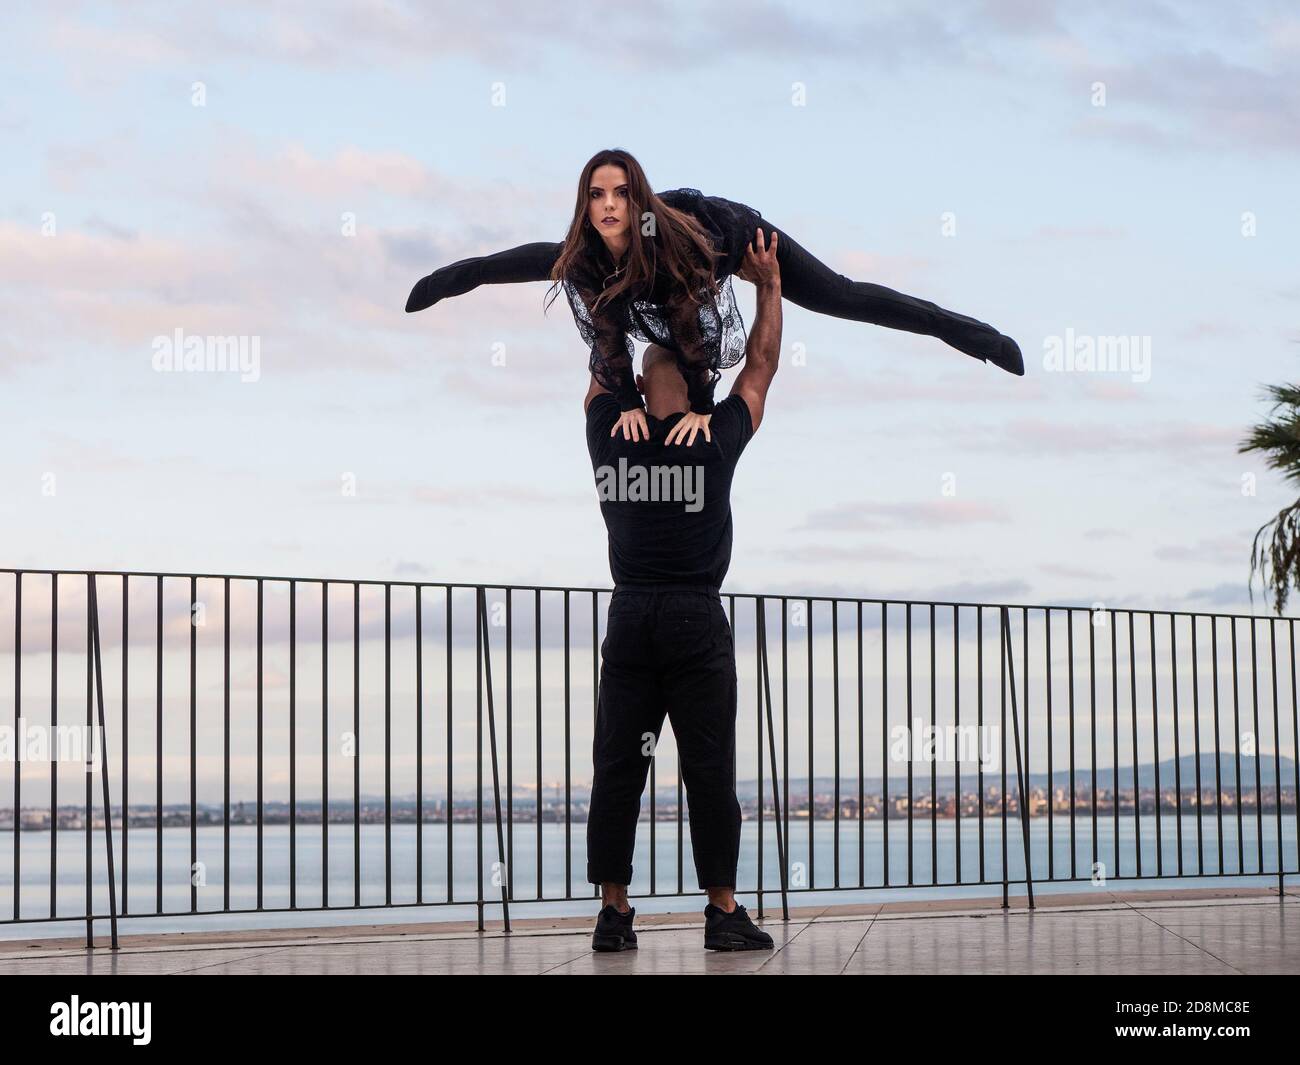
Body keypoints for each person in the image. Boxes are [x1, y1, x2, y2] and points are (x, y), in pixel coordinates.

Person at [406, 147, 1023, 446]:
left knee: (843, 295)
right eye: (597, 195)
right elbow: (496, 266)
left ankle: (979, 338)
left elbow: (694, 340)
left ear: (637, 197)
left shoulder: (669, 253)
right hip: (674, 263)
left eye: (620, 193)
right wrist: (431, 288)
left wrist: (702, 406)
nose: (610, 206)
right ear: (585, 203)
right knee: (546, 274)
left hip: (728, 237)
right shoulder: (584, 254)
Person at [581, 228, 783, 953]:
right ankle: (723, 911)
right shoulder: (712, 437)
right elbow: (758, 371)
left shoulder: (611, 434)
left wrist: (605, 275)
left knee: (618, 767)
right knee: (708, 767)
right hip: (696, 619)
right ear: (696, 386)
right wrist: (768, 286)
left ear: (639, 386)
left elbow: (600, 371)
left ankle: (613, 913)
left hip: (631, 616)